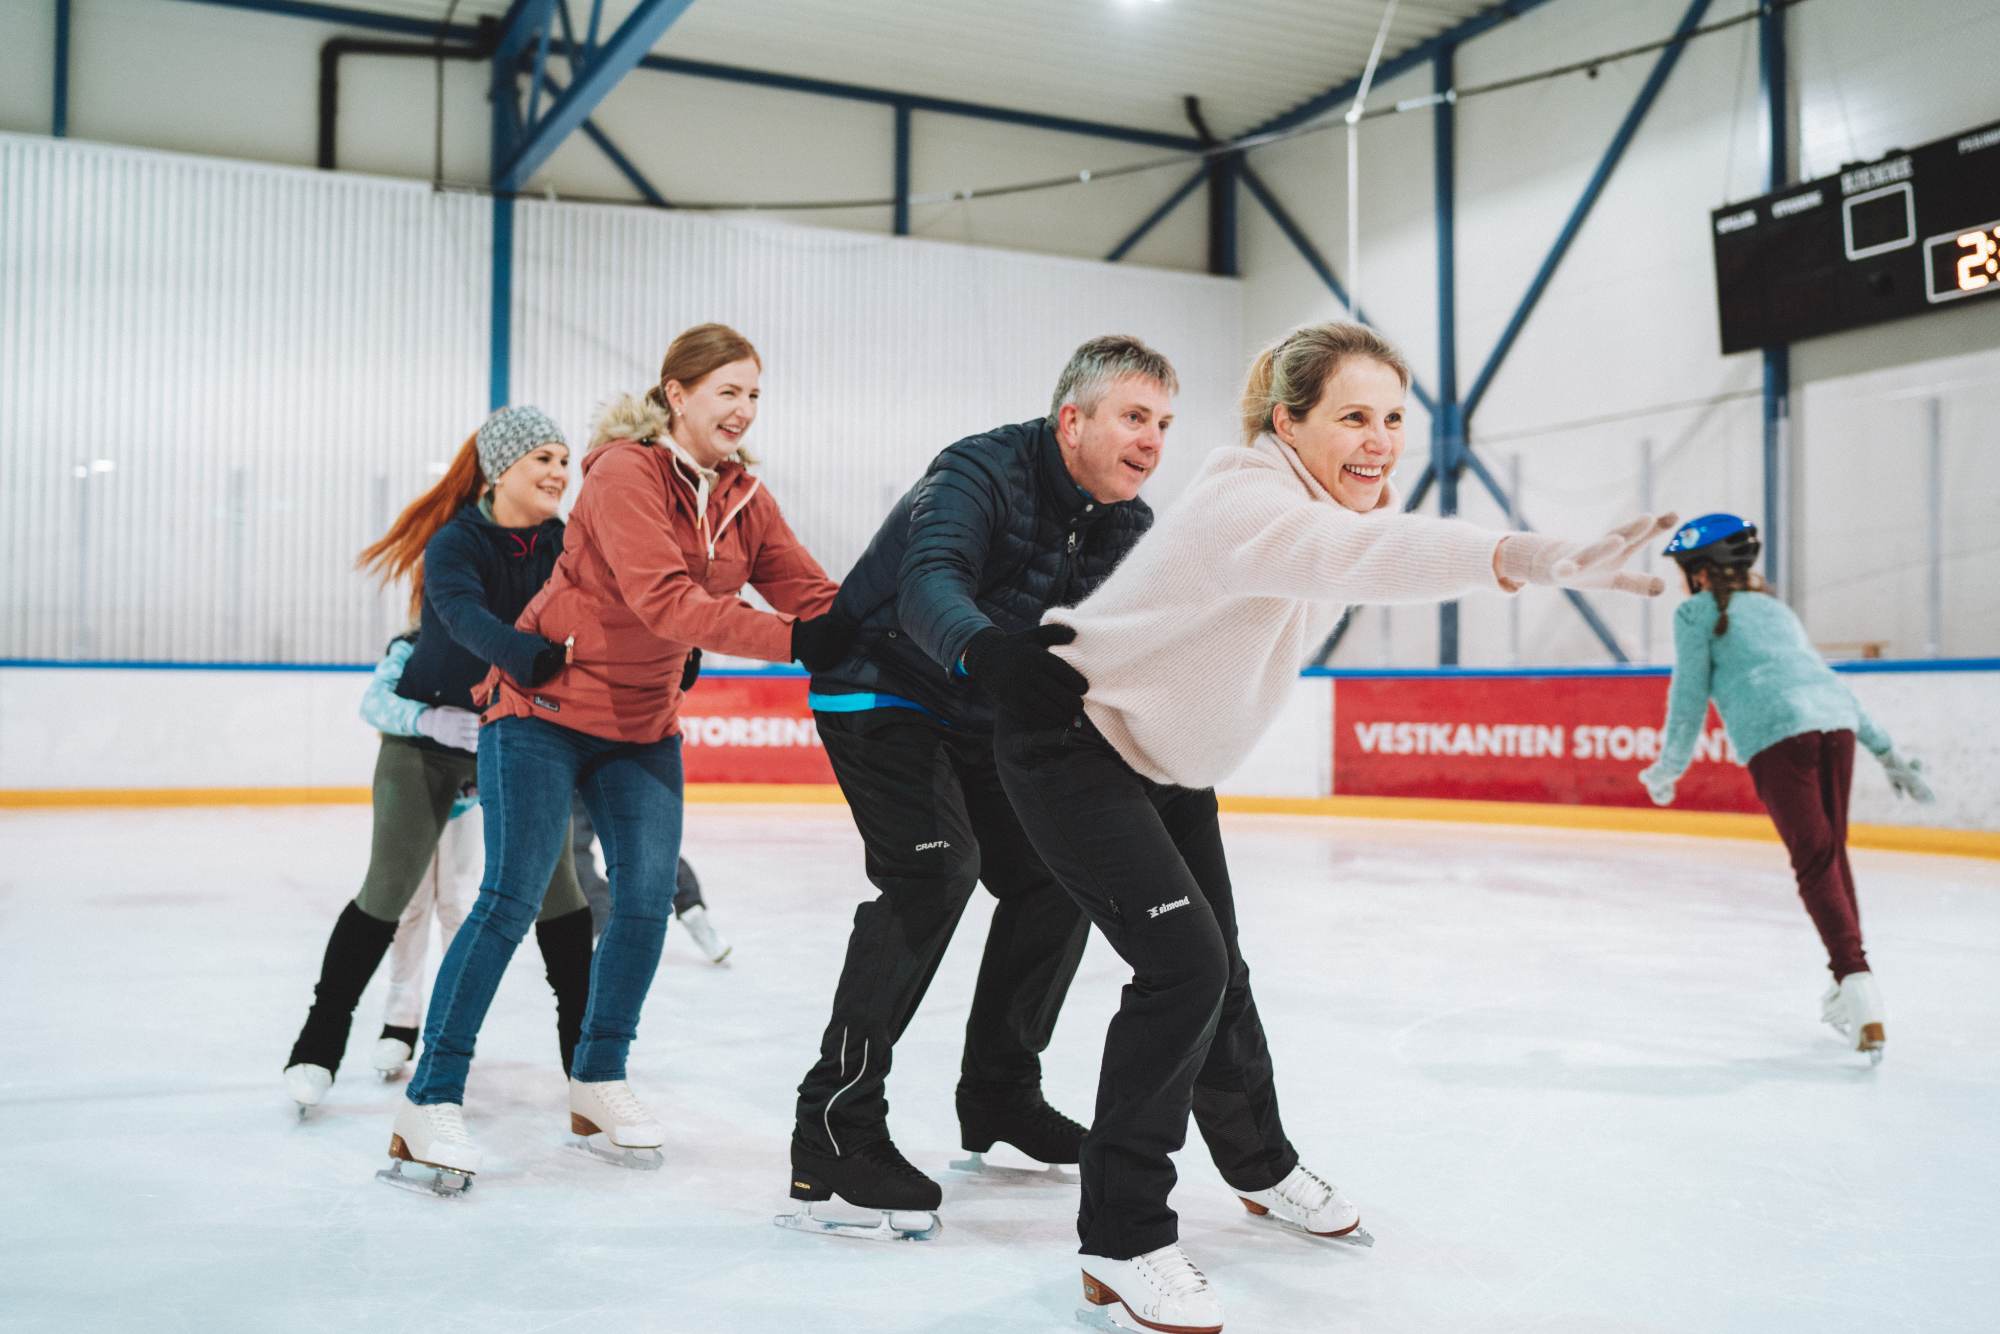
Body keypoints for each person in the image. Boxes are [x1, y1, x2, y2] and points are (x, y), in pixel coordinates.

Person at [991, 321, 1672, 1333]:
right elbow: (1361, 554)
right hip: (1072, 741)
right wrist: (1524, 555)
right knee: (1182, 965)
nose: (1378, 439)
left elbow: (1358, 539)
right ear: (1287, 422)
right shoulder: (1245, 499)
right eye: (1352, 416)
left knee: (1218, 969)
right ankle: (1120, 1238)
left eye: (1393, 418)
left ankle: (1260, 1167)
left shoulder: (1296, 496)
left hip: (1162, 760)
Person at [386, 324, 849, 1190]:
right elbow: (667, 600)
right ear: (677, 395)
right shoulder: (624, 474)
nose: (744, 410)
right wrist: (801, 640)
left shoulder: (746, 498)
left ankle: (597, 1078)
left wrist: (887, 628)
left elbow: (813, 594)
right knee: (508, 898)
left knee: (642, 902)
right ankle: (430, 1095)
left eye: (755, 394)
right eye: (728, 392)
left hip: (642, 727)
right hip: (543, 716)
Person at [783, 335, 1176, 1240]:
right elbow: (929, 586)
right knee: (932, 872)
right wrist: (991, 650)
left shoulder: (1127, 523)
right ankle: (833, 1125)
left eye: (1162, 423)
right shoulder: (978, 471)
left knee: (1054, 875)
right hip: (880, 682)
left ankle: (1000, 1091)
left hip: (974, 713)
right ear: (1071, 420)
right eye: (1134, 417)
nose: (1153, 441)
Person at [283, 407, 593, 1114]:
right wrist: (473, 694)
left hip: (516, 740)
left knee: (562, 897)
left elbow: (610, 610)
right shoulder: (456, 543)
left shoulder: (568, 544)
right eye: (543, 457)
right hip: (423, 744)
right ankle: (318, 1042)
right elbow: (463, 617)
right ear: (501, 466)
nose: (557, 472)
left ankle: (588, 1063)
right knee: (388, 891)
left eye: (564, 460)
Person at [1637, 513, 1935, 1065]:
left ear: (1700, 573)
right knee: (1831, 857)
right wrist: (1887, 751)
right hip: (1836, 729)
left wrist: (1667, 768)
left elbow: (1688, 699)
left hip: (1778, 737)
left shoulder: (1693, 614)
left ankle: (1854, 977)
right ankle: (1849, 982)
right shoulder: (1775, 610)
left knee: (1815, 862)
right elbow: (1826, 683)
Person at [356, 632, 484, 1082]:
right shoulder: (409, 646)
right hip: (413, 796)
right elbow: (374, 703)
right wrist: (426, 720)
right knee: (410, 906)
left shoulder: (490, 644)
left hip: (466, 800)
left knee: (459, 907)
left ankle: (452, 1024)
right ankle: (400, 1020)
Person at [573, 789, 732, 964]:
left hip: (588, 777)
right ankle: (692, 911)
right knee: (646, 841)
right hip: (615, 773)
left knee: (578, 854)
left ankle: (604, 928)